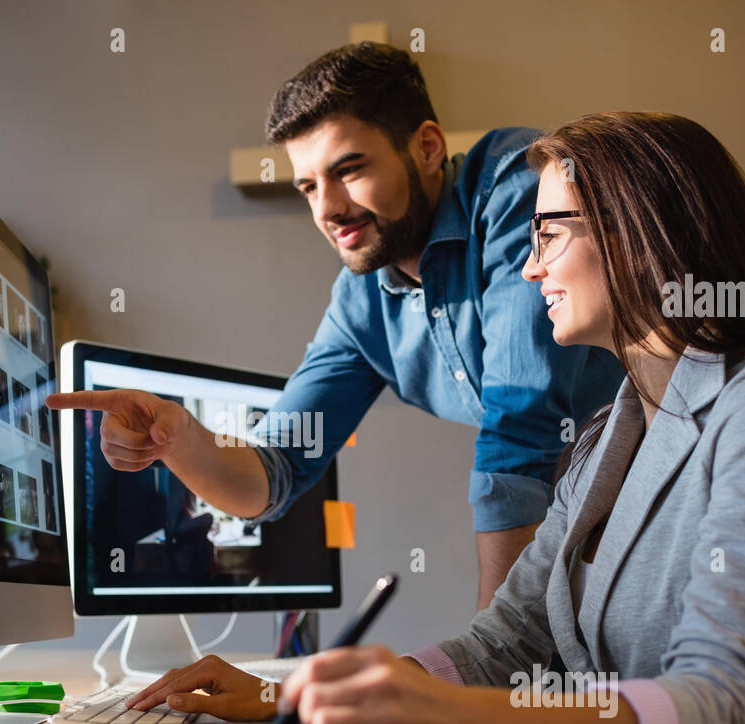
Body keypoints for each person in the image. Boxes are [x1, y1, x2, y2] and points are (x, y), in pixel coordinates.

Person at [123, 111, 745, 724]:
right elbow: (505, 646)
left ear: (637, 230)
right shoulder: (609, 438)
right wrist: (290, 698)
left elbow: (716, 719)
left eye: (547, 234)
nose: (530, 265)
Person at [47, 43, 623, 609]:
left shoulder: (518, 184)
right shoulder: (359, 305)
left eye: (348, 170)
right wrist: (180, 437)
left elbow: (521, 431)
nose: (327, 208)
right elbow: (274, 472)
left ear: (426, 147)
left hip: (677, 474)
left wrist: (494, 662)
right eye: (308, 187)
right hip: (591, 520)